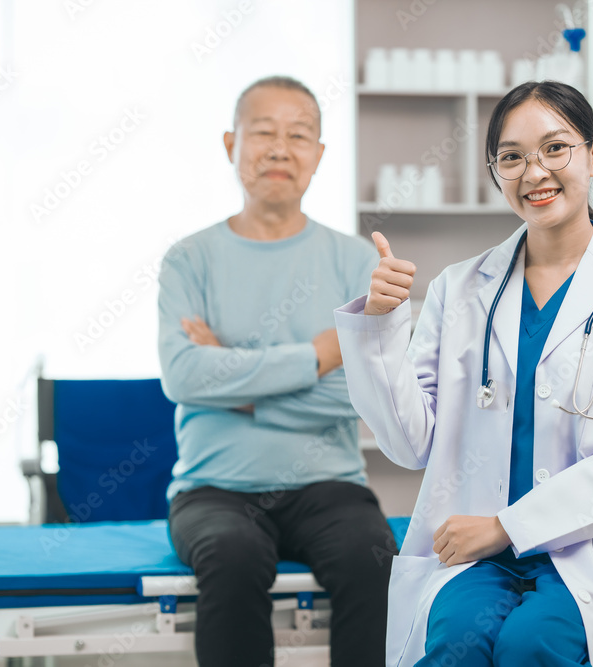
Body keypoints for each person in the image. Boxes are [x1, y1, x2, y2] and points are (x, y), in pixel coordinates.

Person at [334, 80, 593, 666]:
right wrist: (381, 330)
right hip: (480, 557)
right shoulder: (459, 289)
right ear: (496, 172)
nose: (534, 171)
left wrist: (508, 526)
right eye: (512, 157)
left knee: (536, 641)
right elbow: (411, 444)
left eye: (555, 148)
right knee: (457, 638)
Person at [158, 75, 394, 667]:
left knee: (376, 559)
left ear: (318, 154)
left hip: (332, 489)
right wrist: (316, 357)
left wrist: (237, 388)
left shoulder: (358, 263)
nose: (280, 148)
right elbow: (184, 378)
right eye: (263, 132)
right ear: (230, 143)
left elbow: (363, 398)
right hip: (215, 492)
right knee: (233, 559)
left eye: (299, 135)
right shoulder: (188, 259)